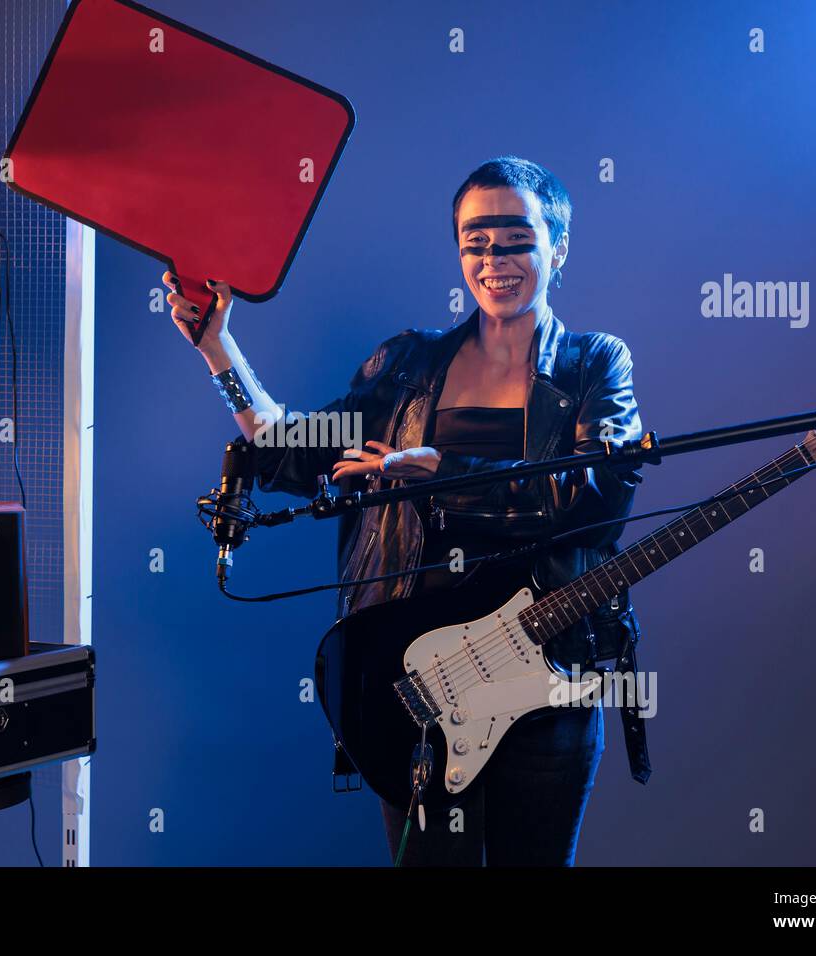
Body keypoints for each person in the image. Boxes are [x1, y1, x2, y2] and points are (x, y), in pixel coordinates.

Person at [165, 156, 644, 866]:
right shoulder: (406, 367)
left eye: (515, 238)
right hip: (420, 684)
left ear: (559, 246)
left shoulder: (591, 365)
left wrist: (439, 473)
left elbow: (590, 508)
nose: (493, 259)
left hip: (546, 682)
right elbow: (293, 450)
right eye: (474, 241)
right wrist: (218, 348)